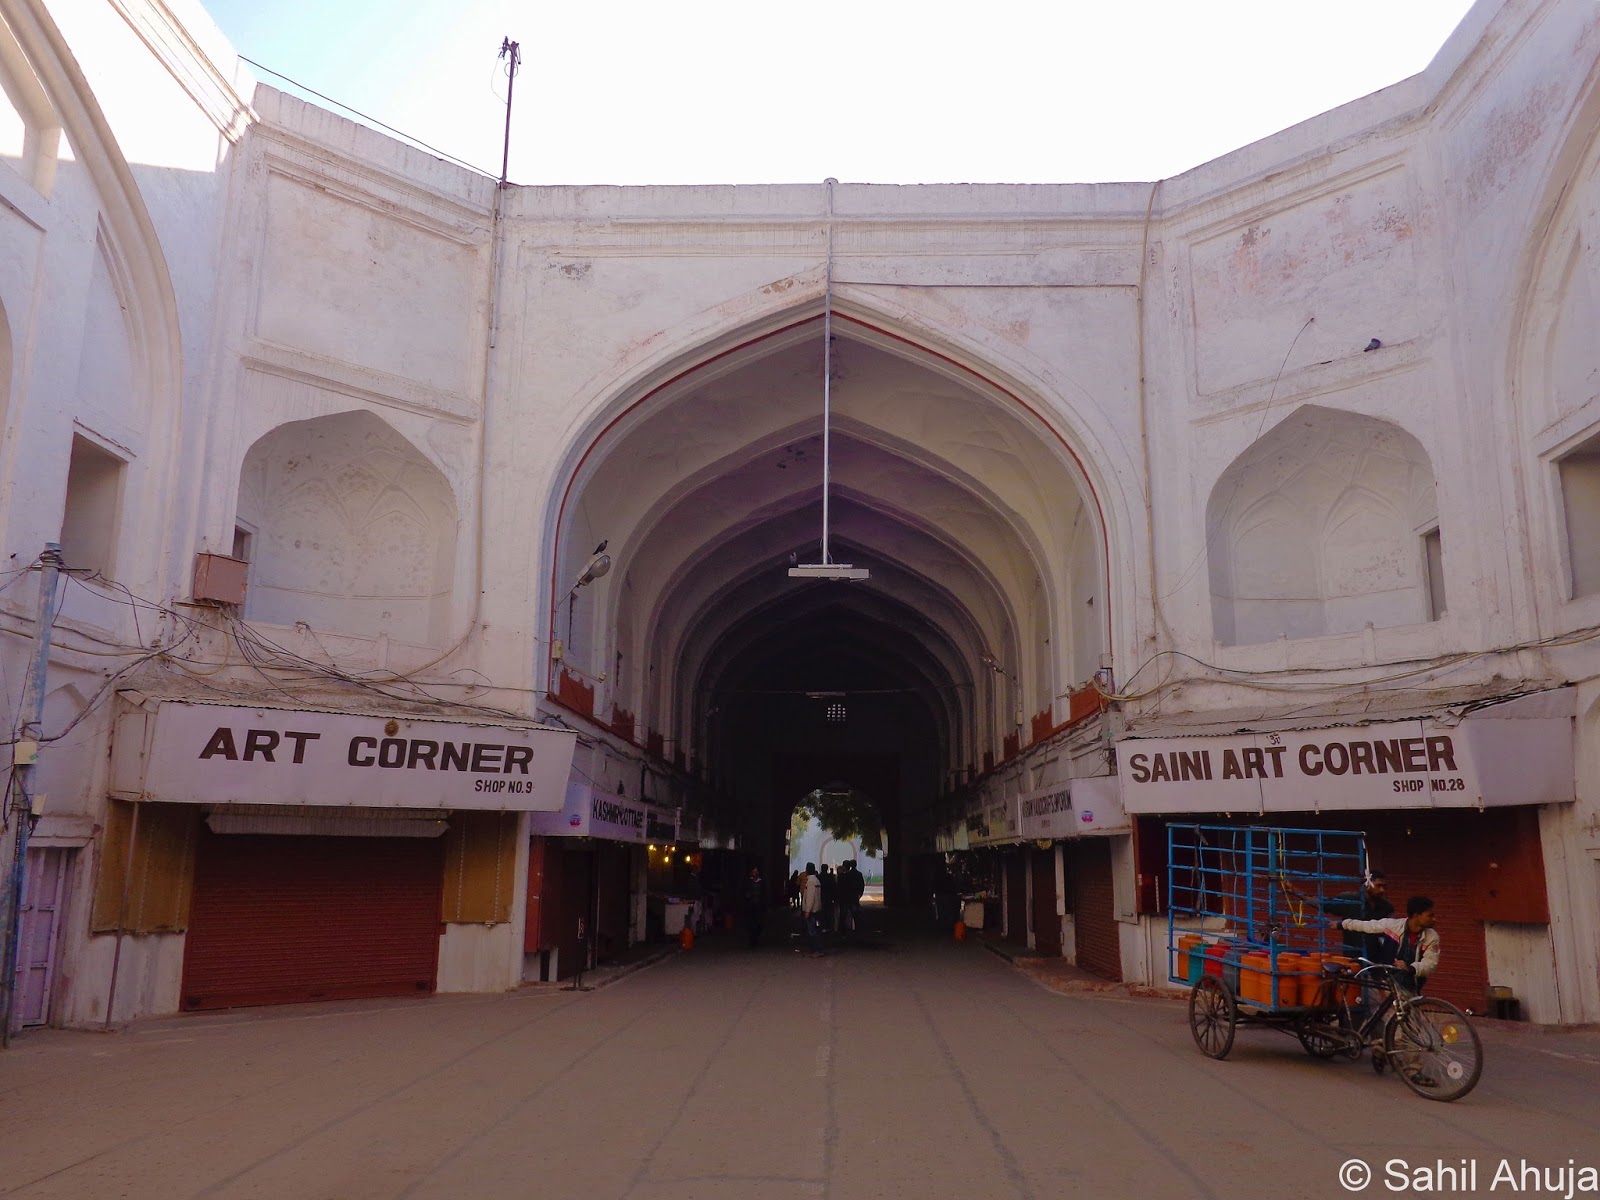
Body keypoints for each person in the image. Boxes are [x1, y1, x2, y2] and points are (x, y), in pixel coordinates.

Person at [1336, 895, 1440, 994]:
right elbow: (1367, 926)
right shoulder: (1393, 926)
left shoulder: (1431, 937)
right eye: (1430, 915)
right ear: (1416, 915)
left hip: (1412, 985)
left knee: (1410, 1006)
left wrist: (1411, 968)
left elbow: (1430, 963)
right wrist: (1342, 924)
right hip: (1387, 981)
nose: (1434, 919)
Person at [1321, 870, 1394, 963]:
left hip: (1377, 960)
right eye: (1378, 886)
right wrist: (1302, 896)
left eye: (1384, 886)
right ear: (1367, 885)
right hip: (1353, 958)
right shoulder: (1349, 900)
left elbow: (1390, 931)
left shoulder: (1386, 907)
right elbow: (1324, 905)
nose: (1382, 890)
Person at [798, 862, 824, 956]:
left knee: (812, 931)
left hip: (812, 911)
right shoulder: (817, 880)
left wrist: (807, 910)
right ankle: (818, 949)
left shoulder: (810, 882)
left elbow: (810, 897)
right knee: (816, 930)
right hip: (817, 909)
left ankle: (816, 950)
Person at [743, 867, 766, 949]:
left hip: (759, 905)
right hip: (751, 905)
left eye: (756, 872)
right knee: (751, 923)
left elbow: (765, 893)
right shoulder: (748, 882)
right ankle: (752, 940)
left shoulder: (761, 882)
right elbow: (745, 892)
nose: (754, 873)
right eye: (753, 872)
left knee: (759, 923)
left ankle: (756, 937)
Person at [840, 859, 866, 934]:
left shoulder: (847, 875)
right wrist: (860, 894)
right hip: (855, 896)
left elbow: (844, 887)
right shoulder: (859, 874)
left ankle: (844, 931)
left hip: (847, 897)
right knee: (856, 915)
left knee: (844, 915)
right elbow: (862, 885)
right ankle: (857, 930)